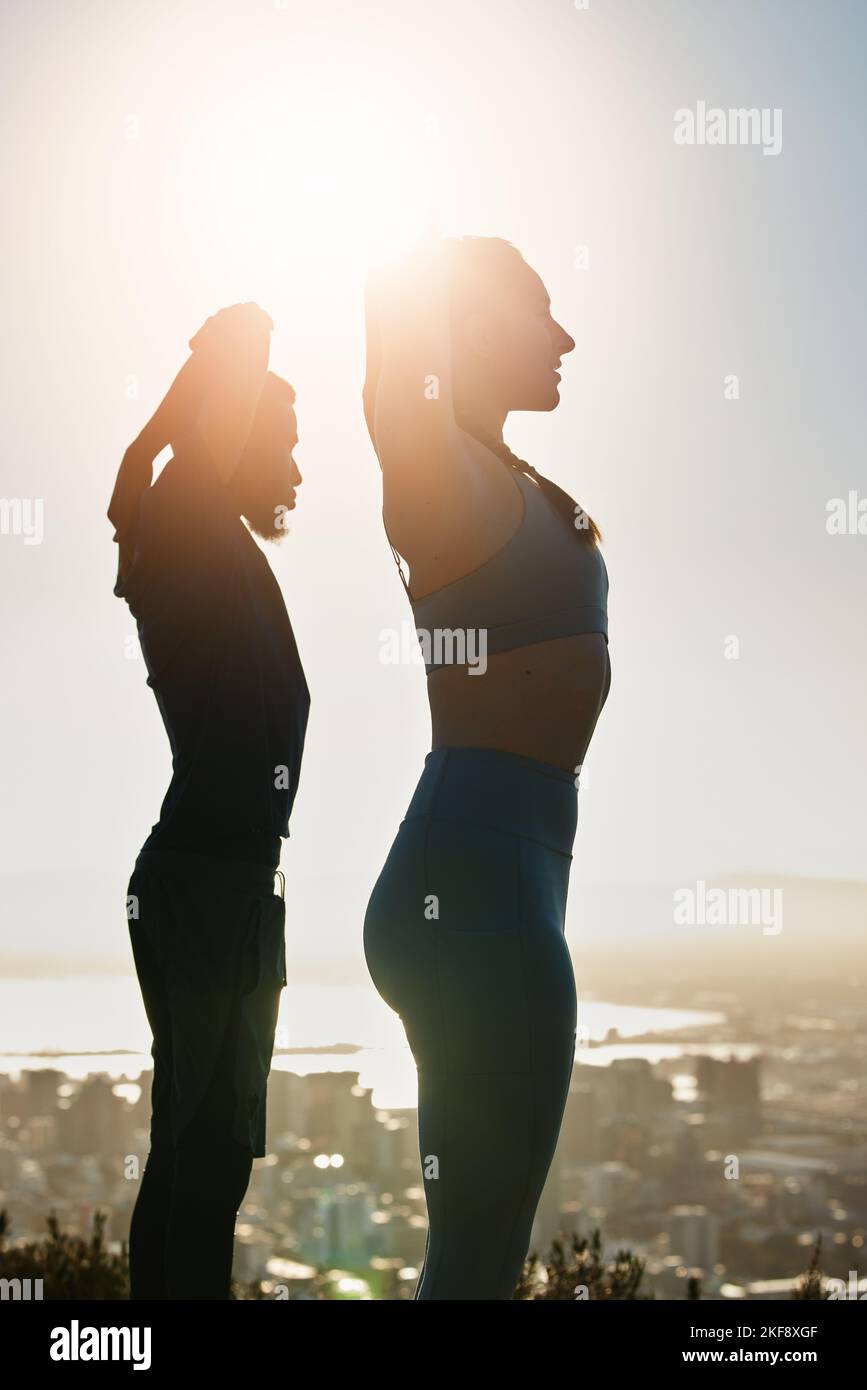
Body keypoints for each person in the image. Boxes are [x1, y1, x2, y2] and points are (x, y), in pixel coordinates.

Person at [362, 237, 611, 1299]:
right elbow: (391, 398)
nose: (564, 337)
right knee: (477, 1257)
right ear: (466, 326)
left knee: (481, 1251)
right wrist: (418, 261)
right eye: (537, 314)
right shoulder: (443, 478)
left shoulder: (500, 478)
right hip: (479, 894)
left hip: (499, 880)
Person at [108, 304, 310, 1299]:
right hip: (204, 882)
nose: (299, 465)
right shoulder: (185, 514)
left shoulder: (223, 544)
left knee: (208, 1148)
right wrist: (246, 335)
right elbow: (213, 396)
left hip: (230, 884)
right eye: (286, 438)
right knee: (201, 1146)